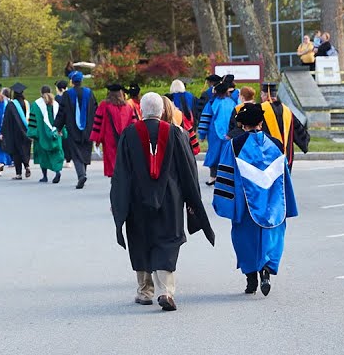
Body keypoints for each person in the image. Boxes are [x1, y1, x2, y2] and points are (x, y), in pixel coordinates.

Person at [109, 92, 215, 312]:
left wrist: (119, 201)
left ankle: (145, 291)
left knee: (141, 239)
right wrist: (192, 198)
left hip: (137, 200)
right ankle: (165, 291)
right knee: (167, 239)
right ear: (162, 111)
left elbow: (121, 173)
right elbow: (188, 170)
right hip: (170, 199)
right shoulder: (177, 133)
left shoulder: (129, 135)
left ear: (141, 111)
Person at [212, 102, 298, 297]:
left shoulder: (234, 145)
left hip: (245, 204)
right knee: (271, 236)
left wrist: (228, 205)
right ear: (261, 121)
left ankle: (251, 277)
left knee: (245, 239)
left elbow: (226, 176)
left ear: (242, 124)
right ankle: (266, 270)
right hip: (273, 204)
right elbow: (284, 179)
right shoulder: (276, 144)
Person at [55, 71, 96, 189]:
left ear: (72, 81)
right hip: (88, 128)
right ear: (81, 80)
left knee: (76, 154)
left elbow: (62, 112)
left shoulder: (67, 94)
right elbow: (94, 109)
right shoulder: (89, 93)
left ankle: (81, 175)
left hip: (73, 129)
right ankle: (83, 173)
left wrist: (58, 126)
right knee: (85, 151)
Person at [261, 83, 310, 169]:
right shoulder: (287, 111)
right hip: (286, 156)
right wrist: (304, 143)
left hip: (266, 156)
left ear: (265, 95)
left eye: (262, 95)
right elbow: (299, 130)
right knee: (284, 181)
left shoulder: (260, 110)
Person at [92, 84, 135, 177]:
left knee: (112, 161)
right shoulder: (128, 106)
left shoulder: (104, 105)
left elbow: (98, 122)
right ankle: (122, 178)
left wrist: (97, 139)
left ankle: (115, 179)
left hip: (109, 138)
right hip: (125, 138)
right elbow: (133, 123)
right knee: (123, 159)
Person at [198, 80, 236, 185]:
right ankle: (226, 177)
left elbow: (205, 119)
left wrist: (202, 134)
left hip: (215, 134)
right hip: (229, 133)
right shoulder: (232, 102)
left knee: (214, 154)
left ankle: (213, 177)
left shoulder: (211, 103)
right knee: (227, 155)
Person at [27, 85, 64, 183]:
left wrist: (32, 133)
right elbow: (61, 119)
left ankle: (45, 176)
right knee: (56, 154)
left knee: (43, 156)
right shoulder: (56, 104)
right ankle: (57, 172)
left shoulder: (36, 105)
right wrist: (62, 131)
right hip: (55, 135)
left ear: (41, 92)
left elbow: (32, 122)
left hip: (41, 136)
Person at [2, 83, 32, 180]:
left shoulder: (11, 105)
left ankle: (18, 174)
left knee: (16, 153)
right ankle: (27, 166)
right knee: (25, 149)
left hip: (15, 132)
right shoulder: (27, 104)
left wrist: (3, 132)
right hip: (26, 132)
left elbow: (6, 120)